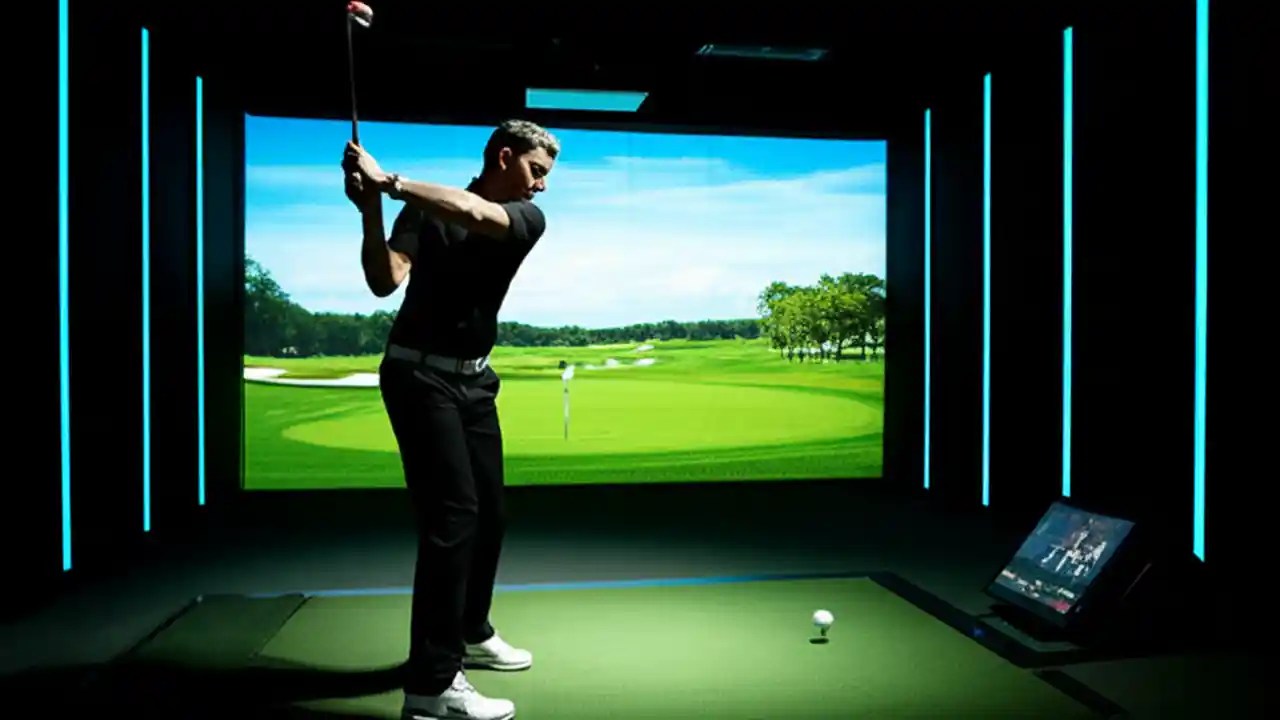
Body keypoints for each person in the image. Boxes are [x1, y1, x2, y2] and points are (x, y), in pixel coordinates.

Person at [342, 119, 559, 720]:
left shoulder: (525, 218)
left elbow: (475, 213)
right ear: (504, 156)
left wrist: (389, 182)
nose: (541, 185)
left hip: (475, 381)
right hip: (417, 375)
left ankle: (471, 630)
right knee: (453, 517)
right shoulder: (424, 209)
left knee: (490, 513)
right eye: (536, 170)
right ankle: (432, 686)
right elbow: (385, 280)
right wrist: (370, 210)